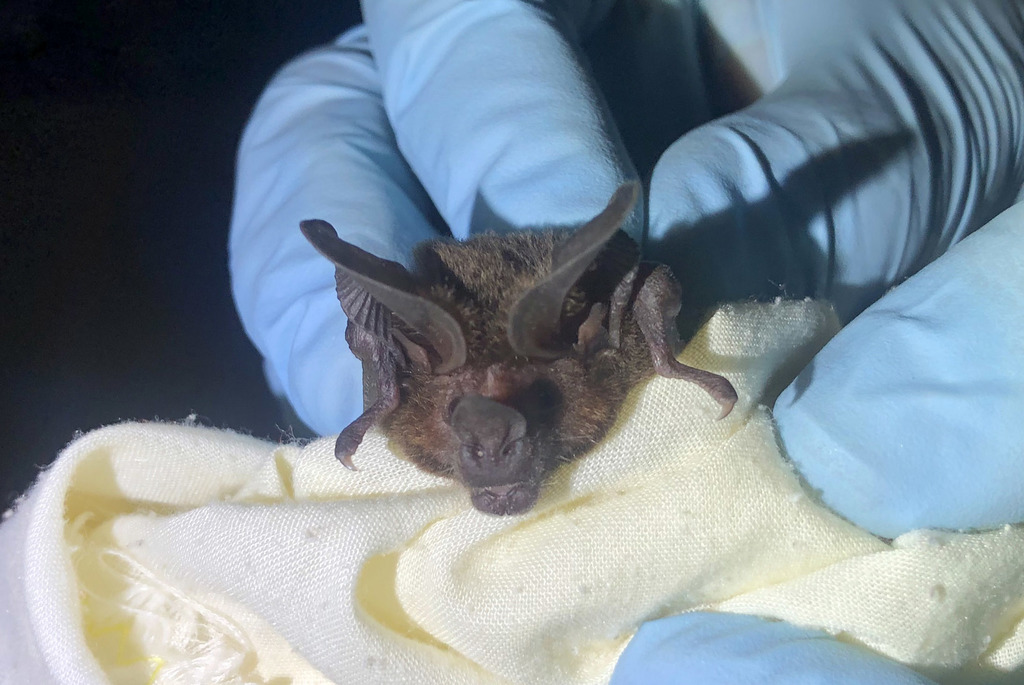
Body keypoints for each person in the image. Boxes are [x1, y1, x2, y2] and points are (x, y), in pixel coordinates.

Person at [229, 1, 1024, 681]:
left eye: (527, 403)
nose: (493, 445)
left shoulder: (605, 331)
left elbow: (644, 287)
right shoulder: (403, 366)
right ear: (398, 371)